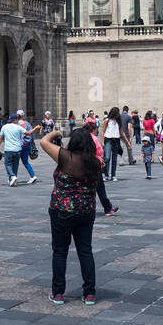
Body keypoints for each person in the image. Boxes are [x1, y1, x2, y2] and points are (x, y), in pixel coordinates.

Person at [38, 126, 100, 306]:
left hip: (62, 212)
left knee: (60, 252)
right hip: (86, 212)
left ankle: (58, 293)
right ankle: (89, 293)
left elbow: (43, 142)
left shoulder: (65, 157)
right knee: (85, 251)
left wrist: (56, 133)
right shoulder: (95, 163)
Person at [0, 113, 32, 187]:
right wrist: (36, 128)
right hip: (18, 149)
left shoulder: (4, 127)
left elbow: (0, 138)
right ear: (15, 120)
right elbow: (28, 133)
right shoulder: (18, 127)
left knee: (7, 164)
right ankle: (12, 180)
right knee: (15, 165)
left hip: (9, 149)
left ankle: (12, 176)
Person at [100, 105, 125, 180]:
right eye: (117, 113)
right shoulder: (107, 120)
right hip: (108, 140)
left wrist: (128, 141)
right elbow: (103, 131)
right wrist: (102, 142)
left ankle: (113, 175)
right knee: (107, 158)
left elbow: (121, 131)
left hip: (116, 140)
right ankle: (106, 174)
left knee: (114, 158)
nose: (118, 115)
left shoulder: (118, 121)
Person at [16, 110, 40, 180]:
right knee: (25, 162)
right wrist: (32, 142)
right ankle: (33, 175)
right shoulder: (27, 124)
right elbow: (31, 135)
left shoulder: (15, 124)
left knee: (15, 162)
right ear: (23, 116)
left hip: (18, 146)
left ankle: (13, 177)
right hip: (27, 145)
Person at [141, 110, 157, 178]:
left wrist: (143, 134)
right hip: (151, 133)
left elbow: (144, 128)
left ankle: (148, 157)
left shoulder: (144, 121)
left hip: (146, 133)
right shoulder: (152, 120)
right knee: (152, 146)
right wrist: (155, 135)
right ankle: (151, 157)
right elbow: (153, 128)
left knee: (146, 146)